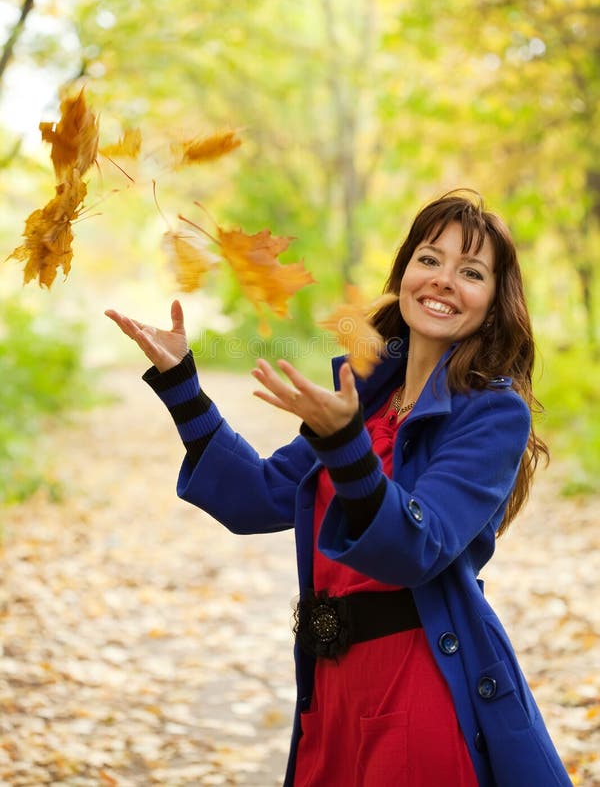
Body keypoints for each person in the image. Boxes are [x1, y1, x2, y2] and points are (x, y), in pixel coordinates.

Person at [105, 191, 571, 787]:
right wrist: (181, 384)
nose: (444, 280)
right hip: (331, 688)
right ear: (404, 274)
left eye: (471, 272)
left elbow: (418, 545)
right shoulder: (368, 400)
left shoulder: (491, 414)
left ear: (494, 302)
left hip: (419, 681)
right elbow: (257, 496)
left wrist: (346, 444)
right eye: (430, 259)